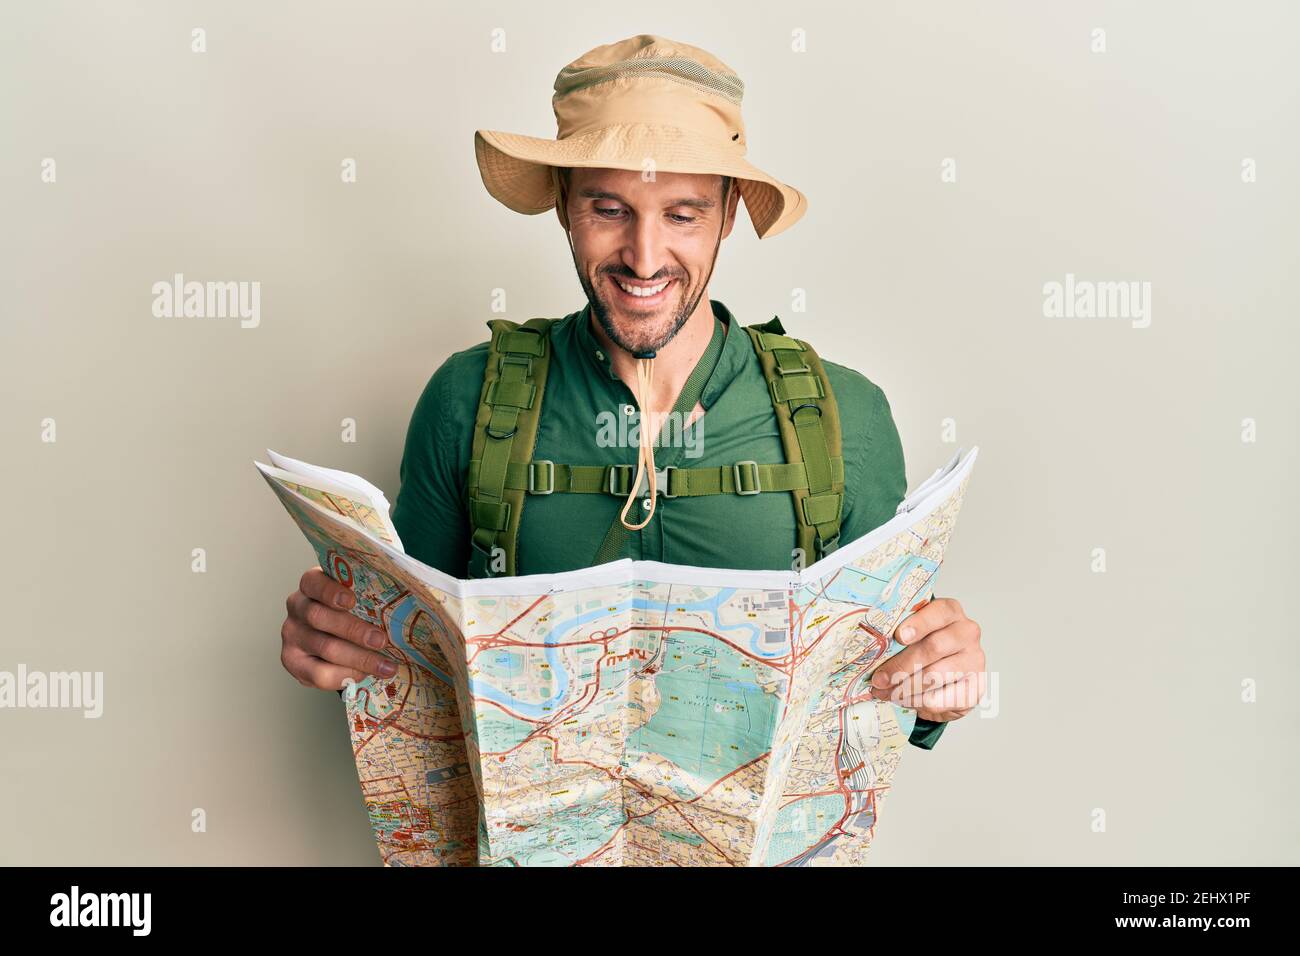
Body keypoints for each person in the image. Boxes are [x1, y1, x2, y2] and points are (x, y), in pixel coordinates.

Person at [279, 34, 985, 750]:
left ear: (730, 213)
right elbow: (408, 671)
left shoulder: (845, 419)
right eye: (609, 209)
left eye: (683, 214)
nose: (644, 258)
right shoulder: (467, 400)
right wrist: (337, 647)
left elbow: (893, 682)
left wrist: (940, 682)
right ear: (562, 205)